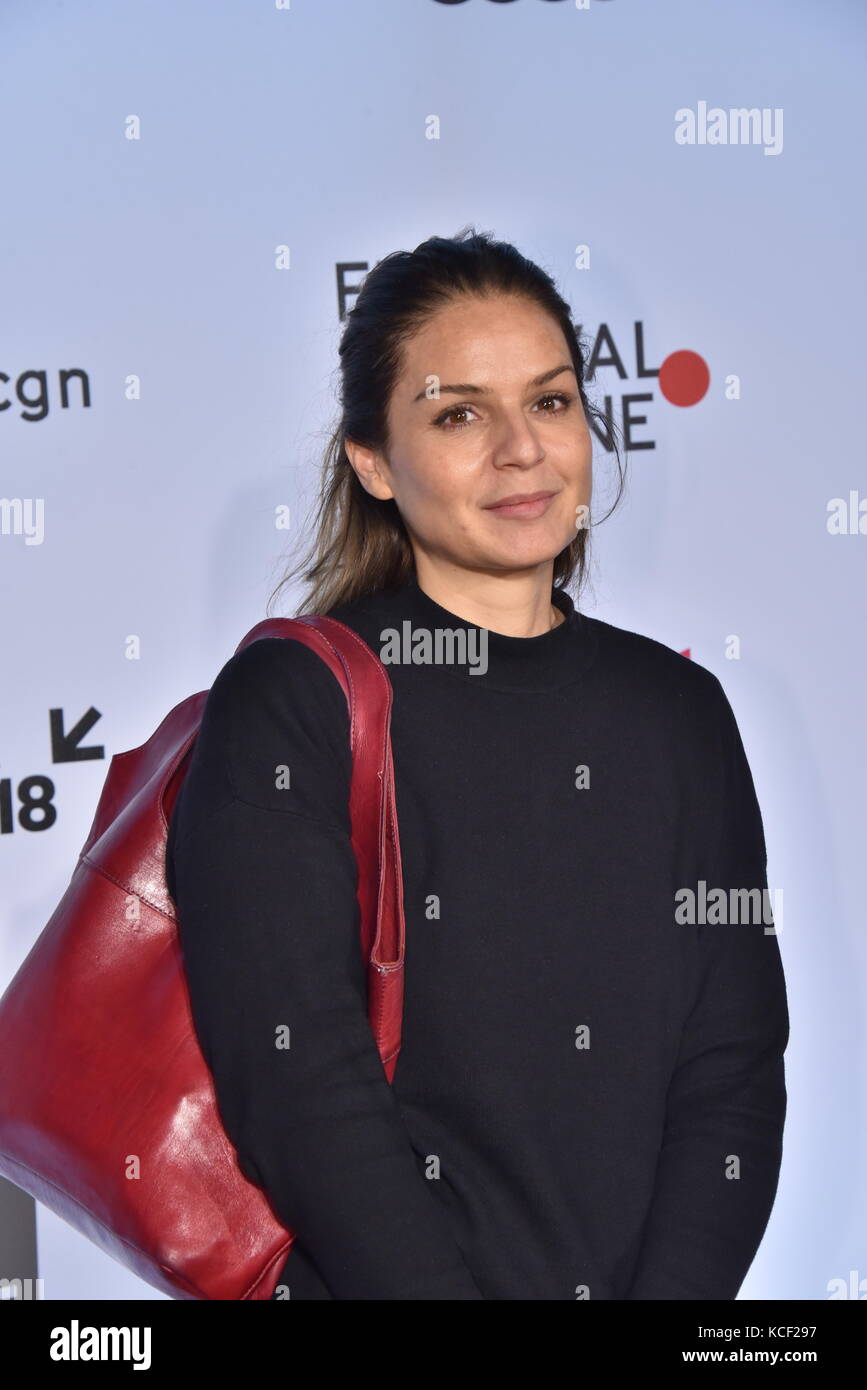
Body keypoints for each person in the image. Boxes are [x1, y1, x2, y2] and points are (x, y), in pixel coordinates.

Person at [165, 227, 789, 1300]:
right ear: (372, 459)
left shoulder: (680, 714)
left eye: (549, 401)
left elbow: (731, 1069)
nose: (521, 449)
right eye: (459, 414)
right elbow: (297, 1078)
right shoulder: (297, 703)